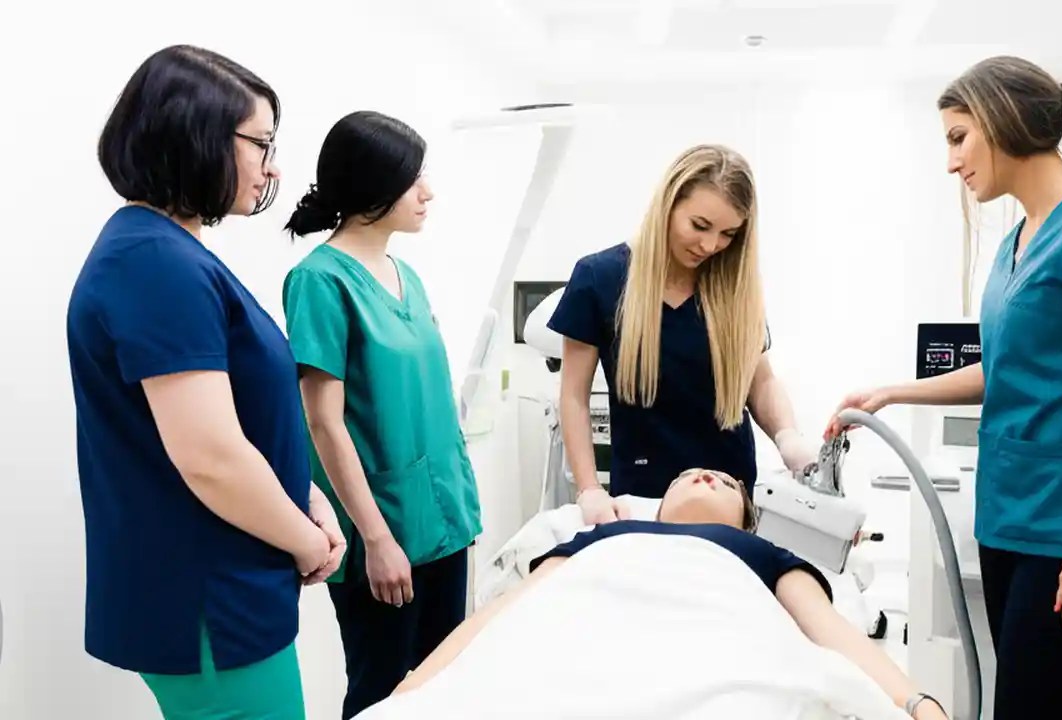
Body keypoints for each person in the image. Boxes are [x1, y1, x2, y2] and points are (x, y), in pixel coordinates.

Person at [826, 56, 1062, 718]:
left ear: (1002, 121)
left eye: (958, 137)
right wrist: (892, 394)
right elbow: (1007, 368)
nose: (952, 163)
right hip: (1010, 517)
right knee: (1043, 705)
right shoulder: (1019, 239)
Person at [67, 44, 345, 719]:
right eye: (261, 144)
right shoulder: (154, 263)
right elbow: (210, 457)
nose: (272, 167)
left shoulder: (165, 253)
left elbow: (232, 421)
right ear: (196, 135)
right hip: (208, 599)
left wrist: (301, 492)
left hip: (219, 585)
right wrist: (306, 541)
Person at [385, 468, 948, 720]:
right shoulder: (601, 536)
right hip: (580, 635)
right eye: (692, 475)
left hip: (717, 642)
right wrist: (417, 685)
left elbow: (834, 633)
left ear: (746, 522)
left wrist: (917, 703)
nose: (708, 477)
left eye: (727, 482)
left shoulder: (762, 555)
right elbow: (503, 615)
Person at [281, 110, 483, 719]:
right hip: (384, 531)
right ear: (372, 186)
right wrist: (376, 538)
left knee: (445, 686)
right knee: (382, 697)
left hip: (445, 518)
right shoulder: (319, 281)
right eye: (412, 178)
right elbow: (324, 423)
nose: (428, 193)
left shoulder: (406, 276)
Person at [549, 144, 818, 525]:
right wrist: (589, 488)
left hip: (728, 492)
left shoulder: (732, 288)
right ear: (668, 205)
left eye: (728, 234)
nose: (710, 246)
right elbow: (574, 396)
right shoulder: (599, 279)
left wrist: (788, 437)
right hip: (643, 494)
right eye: (700, 226)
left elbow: (760, 382)